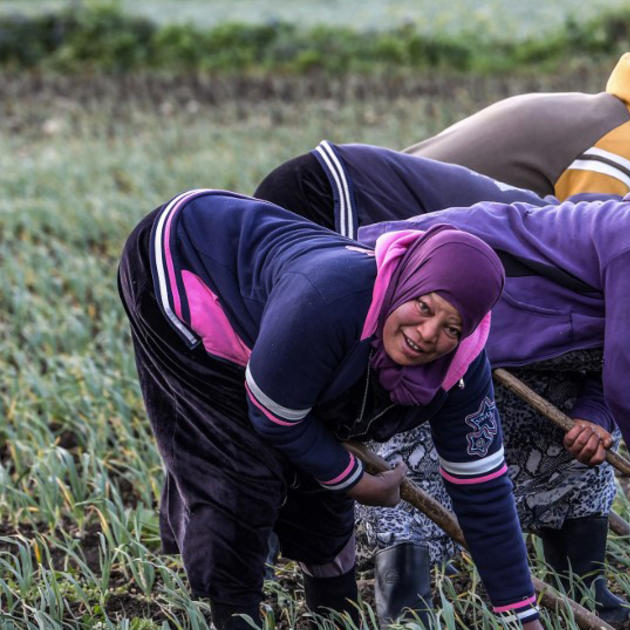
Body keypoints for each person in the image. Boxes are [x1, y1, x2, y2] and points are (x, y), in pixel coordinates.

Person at [256, 147, 630, 626]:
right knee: (414, 450)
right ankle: (407, 607)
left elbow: (629, 359)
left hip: (534, 353)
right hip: (451, 315)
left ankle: (584, 587)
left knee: (578, 456)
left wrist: (595, 417)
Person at [116, 189, 544, 629]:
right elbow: (275, 417)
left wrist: (520, 613)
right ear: (408, 283)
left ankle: (333, 611)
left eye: (451, 327)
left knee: (321, 451)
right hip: (184, 263)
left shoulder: (462, 373)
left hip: (285, 316)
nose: (428, 333)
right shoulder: (329, 301)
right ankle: (234, 613)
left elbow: (484, 487)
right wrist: (355, 480)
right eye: (423, 306)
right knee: (242, 468)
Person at [405, 51, 630, 200]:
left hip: (383, 187)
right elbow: (594, 253)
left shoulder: (601, 114)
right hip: (392, 222)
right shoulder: (620, 150)